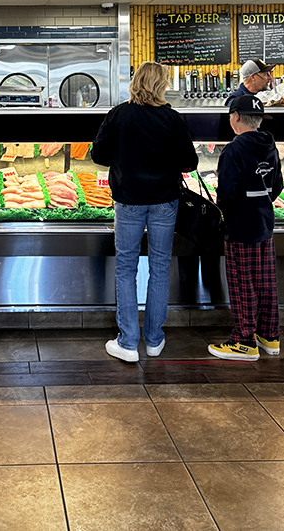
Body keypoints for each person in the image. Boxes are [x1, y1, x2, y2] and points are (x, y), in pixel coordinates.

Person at [91, 61, 199, 363]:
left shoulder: (118, 115)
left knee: (126, 267)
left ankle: (127, 342)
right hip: (165, 200)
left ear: (135, 82)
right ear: (162, 84)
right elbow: (189, 161)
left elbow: (98, 155)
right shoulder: (172, 118)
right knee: (159, 267)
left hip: (128, 201)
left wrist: (124, 155)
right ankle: (153, 339)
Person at [208, 94, 283, 361]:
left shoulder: (234, 150)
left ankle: (243, 341)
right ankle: (269, 336)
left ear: (235, 117)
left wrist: (225, 213)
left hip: (241, 225)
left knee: (243, 283)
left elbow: (227, 193)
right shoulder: (271, 146)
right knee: (265, 281)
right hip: (265, 222)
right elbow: (277, 188)